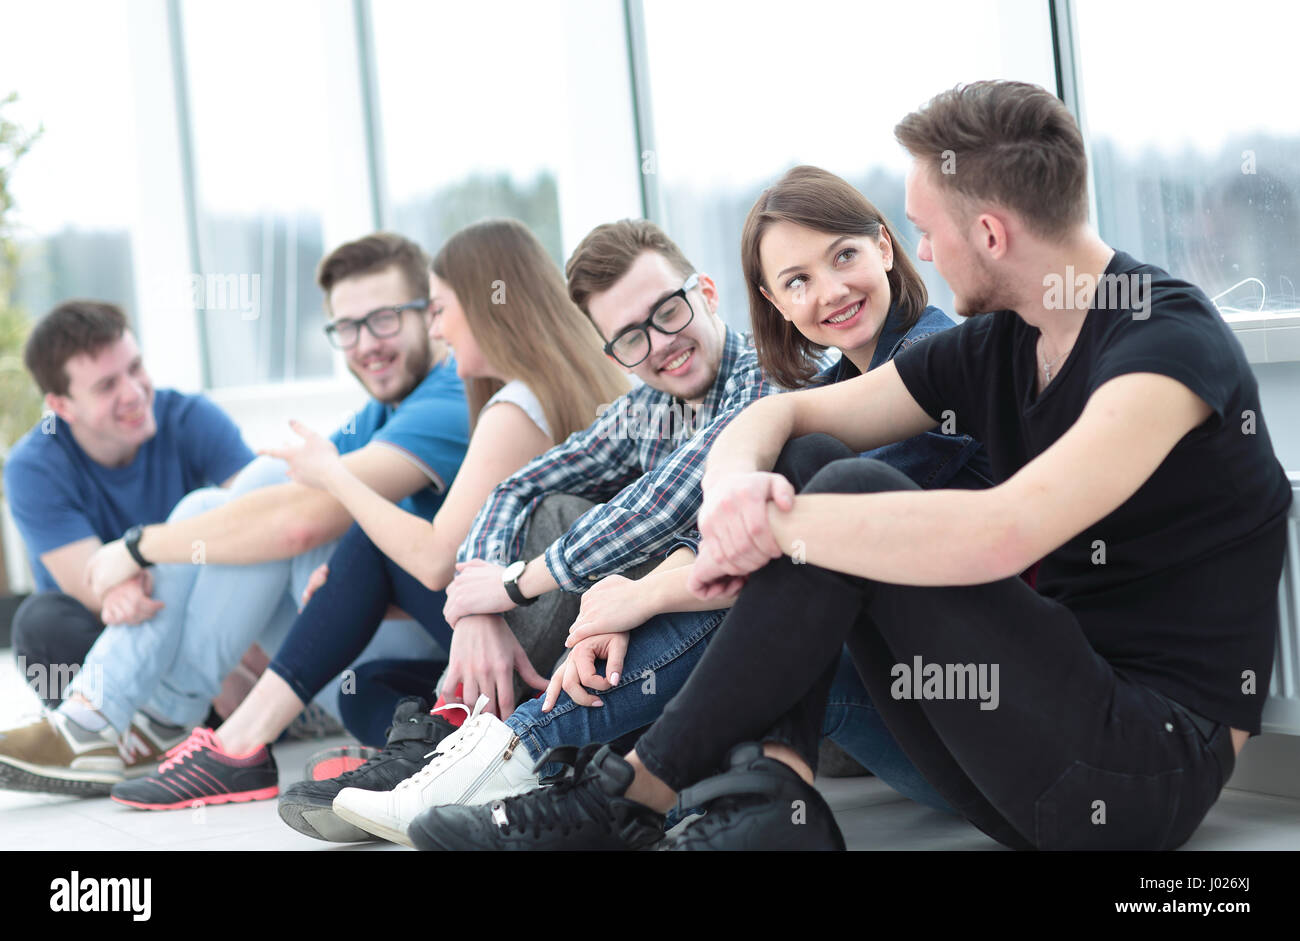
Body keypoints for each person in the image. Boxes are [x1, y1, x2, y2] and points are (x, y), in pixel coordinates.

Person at [408, 80, 1292, 852]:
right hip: (1020, 752)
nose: (924, 252)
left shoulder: (1164, 343)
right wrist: (735, 494)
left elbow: (1007, 529)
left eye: (921, 229)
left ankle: (629, 792)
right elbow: (783, 413)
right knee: (812, 457)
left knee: (843, 490)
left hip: (1141, 770)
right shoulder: (998, 346)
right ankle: (767, 792)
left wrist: (766, 529)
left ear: (987, 231)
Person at [327, 168, 991, 846]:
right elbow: (525, 488)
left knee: (744, 535)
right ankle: (544, 769)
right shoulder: (824, 388)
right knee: (602, 525)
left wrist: (623, 595)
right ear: (775, 299)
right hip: (865, 695)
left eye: (843, 256)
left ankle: (529, 760)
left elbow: (751, 528)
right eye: (797, 281)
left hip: (966, 726)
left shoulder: (909, 367)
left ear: (885, 245)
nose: (829, 292)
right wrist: (588, 601)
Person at [107, 218, 629, 825]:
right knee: (373, 687)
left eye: (439, 309)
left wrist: (334, 475)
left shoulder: (514, 406)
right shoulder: (561, 386)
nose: (437, 328)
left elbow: (439, 555)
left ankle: (240, 745)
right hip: (567, 627)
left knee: (368, 538)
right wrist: (379, 598)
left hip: (550, 624)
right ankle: (447, 756)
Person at [0, 232, 470, 795]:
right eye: (347, 327)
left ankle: (125, 719)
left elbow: (293, 521)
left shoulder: (450, 396)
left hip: (435, 642)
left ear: (431, 315)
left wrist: (138, 546)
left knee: (253, 495)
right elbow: (96, 583)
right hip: (351, 646)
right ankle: (128, 718)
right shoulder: (380, 412)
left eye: (385, 319)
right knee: (56, 615)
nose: (366, 343)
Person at [3, 300, 253, 731]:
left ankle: (145, 725)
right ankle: (187, 713)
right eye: (106, 386)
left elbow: (265, 516)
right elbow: (102, 590)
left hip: (209, 628)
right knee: (41, 625)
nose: (134, 393)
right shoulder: (33, 465)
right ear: (62, 406)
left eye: (135, 368)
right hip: (117, 636)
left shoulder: (191, 418)